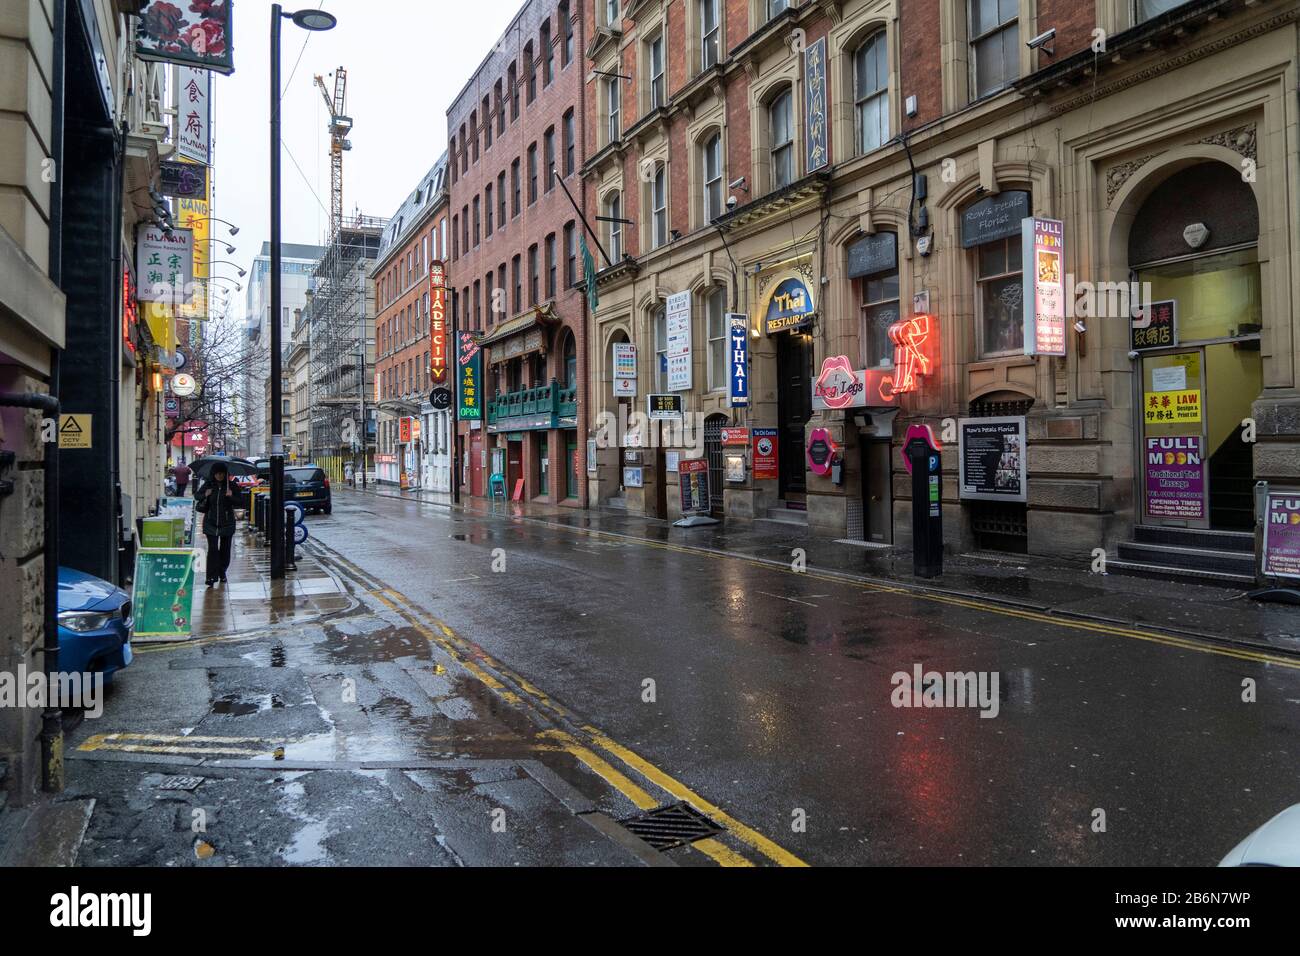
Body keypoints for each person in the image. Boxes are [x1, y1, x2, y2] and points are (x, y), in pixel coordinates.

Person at [196, 463, 236, 586]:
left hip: (227, 522)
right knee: (212, 550)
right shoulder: (208, 485)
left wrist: (231, 496)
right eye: (217, 473)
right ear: (213, 474)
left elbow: (242, 502)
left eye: (222, 473)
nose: (219, 476)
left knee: (225, 550)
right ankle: (211, 577)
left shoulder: (231, 486)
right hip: (210, 522)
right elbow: (197, 496)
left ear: (226, 474)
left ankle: (222, 571)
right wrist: (205, 494)